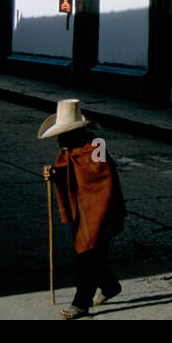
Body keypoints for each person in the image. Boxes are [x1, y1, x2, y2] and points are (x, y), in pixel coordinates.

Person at [40, 99, 126, 319]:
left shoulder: (97, 146)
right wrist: (55, 174)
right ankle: (110, 286)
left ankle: (81, 303)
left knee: (87, 256)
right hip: (82, 209)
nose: (59, 139)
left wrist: (61, 175)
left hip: (101, 210)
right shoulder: (70, 151)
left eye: (63, 133)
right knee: (89, 254)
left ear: (77, 131)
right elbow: (70, 172)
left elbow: (99, 176)